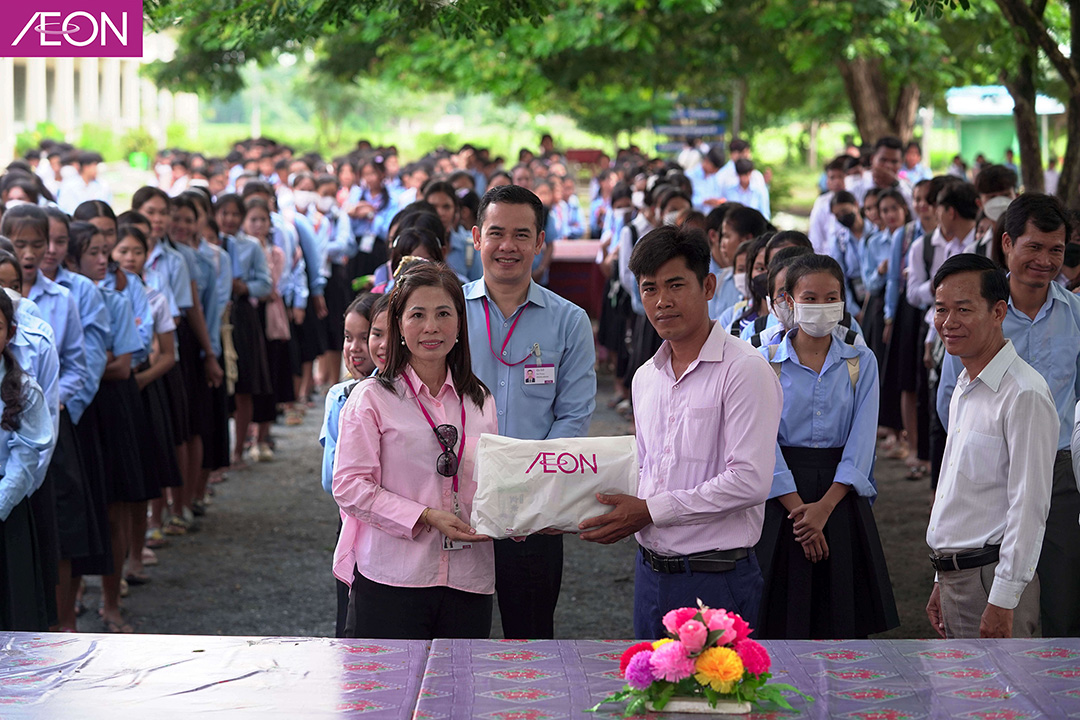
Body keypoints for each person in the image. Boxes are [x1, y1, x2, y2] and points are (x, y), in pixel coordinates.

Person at [578, 224, 781, 638]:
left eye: (675, 285)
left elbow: (750, 482)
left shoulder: (744, 369)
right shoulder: (645, 377)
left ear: (708, 285)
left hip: (715, 576)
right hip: (650, 574)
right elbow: (647, 466)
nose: (662, 302)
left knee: (716, 698)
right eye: (649, 288)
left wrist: (651, 510)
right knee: (652, 696)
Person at [937, 194, 1080, 638]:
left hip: (1059, 471)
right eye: (1033, 247)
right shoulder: (973, 309)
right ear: (1007, 244)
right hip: (990, 471)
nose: (1044, 260)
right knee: (992, 592)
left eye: (1056, 250)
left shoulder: (1075, 313)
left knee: (1060, 595)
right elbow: (951, 400)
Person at [333, 263, 498, 639]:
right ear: (399, 325)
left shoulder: (480, 399)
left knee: (459, 691)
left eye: (444, 314)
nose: (431, 327)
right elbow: (349, 486)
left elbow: (490, 480)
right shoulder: (371, 398)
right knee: (390, 693)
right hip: (394, 578)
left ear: (460, 323)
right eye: (417, 315)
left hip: (468, 577)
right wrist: (423, 515)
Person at [463, 185, 597, 639]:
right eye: (496, 233)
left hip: (535, 511)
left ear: (540, 243)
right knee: (458, 637)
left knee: (531, 636)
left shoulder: (569, 320)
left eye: (522, 235)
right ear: (477, 237)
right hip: (458, 503)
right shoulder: (447, 314)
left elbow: (574, 416)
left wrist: (530, 487)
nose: (508, 247)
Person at [754, 253, 898, 639]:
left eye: (831, 297)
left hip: (840, 497)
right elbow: (761, 441)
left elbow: (862, 439)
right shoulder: (763, 362)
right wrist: (801, 512)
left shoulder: (860, 359)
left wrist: (825, 508)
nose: (821, 307)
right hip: (781, 500)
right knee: (779, 616)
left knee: (841, 618)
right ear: (788, 301)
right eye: (811, 298)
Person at [927, 253, 1057, 638]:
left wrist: (1003, 598)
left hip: (991, 581)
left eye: (963, 309)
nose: (949, 323)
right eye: (941, 310)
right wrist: (940, 578)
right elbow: (957, 494)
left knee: (1000, 697)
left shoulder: (1024, 394)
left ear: (998, 312)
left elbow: (1029, 507)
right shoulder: (965, 384)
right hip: (958, 578)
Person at [0, 289, 56, 631]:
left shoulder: (24, 388)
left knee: (11, 616)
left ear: (9, 332)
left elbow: (25, 460)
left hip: (7, 514)